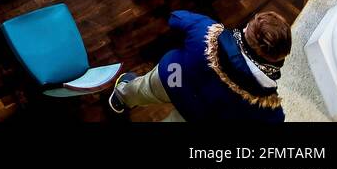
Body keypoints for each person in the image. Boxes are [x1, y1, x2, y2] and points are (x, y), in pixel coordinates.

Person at [109, 10, 291, 121]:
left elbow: (176, 17)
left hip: (173, 78)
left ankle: (121, 98)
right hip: (196, 115)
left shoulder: (205, 30)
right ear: (276, 59)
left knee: (144, 89)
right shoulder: (267, 107)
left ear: (247, 29)